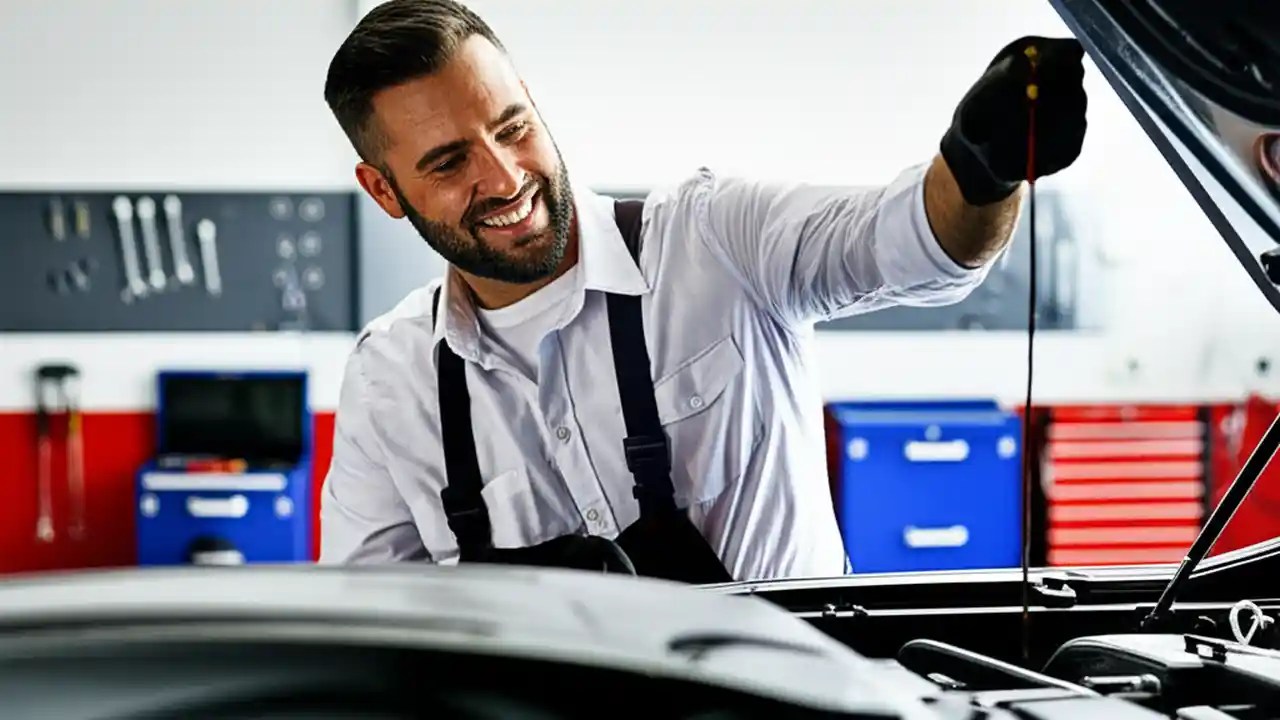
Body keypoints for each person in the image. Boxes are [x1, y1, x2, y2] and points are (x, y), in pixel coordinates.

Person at [318, 0, 1087, 581]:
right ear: (383, 191)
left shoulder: (713, 240)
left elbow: (916, 242)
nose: (505, 176)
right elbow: (366, 633)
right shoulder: (392, 382)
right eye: (449, 163)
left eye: (513, 126)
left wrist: (982, 165)